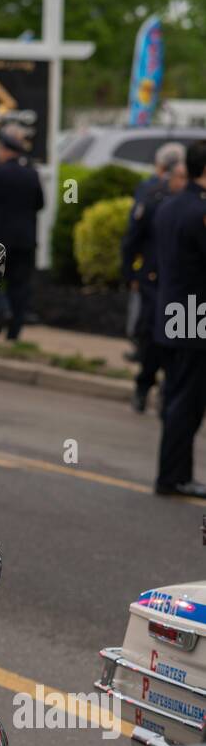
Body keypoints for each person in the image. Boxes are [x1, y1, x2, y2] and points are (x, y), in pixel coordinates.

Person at [154, 141, 206, 498]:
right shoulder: (199, 210)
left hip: (174, 310)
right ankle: (173, 477)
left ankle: (176, 474)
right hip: (195, 313)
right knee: (187, 400)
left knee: (178, 394)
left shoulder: (171, 204)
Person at [121, 142, 186, 412]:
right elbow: (133, 238)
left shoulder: (192, 203)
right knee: (151, 337)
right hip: (153, 277)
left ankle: (169, 392)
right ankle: (143, 386)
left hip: (182, 284)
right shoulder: (153, 195)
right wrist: (130, 273)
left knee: (179, 340)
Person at [0, 126, 45, 340]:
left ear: (5, 151)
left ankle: (1, 310)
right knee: (20, 285)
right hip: (25, 241)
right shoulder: (32, 174)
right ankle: (14, 332)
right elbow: (40, 204)